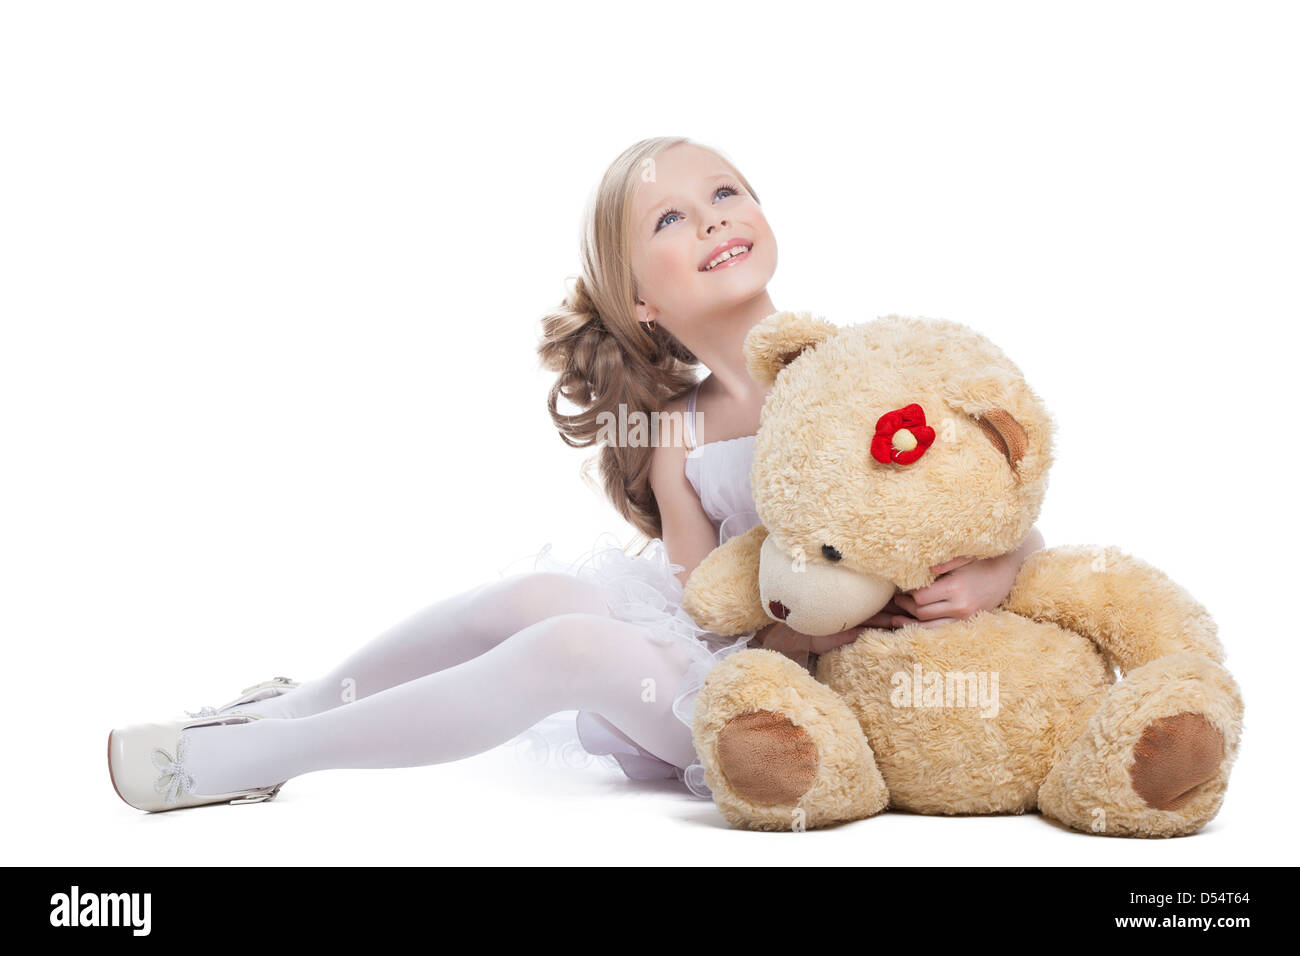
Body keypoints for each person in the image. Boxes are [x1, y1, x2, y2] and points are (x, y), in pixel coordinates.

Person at [106, 136, 1045, 811]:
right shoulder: (676, 432)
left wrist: (996, 573)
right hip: (749, 666)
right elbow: (702, 609)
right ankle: (296, 703)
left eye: (726, 191)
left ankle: (274, 755)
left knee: (573, 652)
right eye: (672, 217)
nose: (714, 217)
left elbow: (997, 497)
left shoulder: (857, 368)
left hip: (829, 704)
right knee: (542, 597)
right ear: (639, 298)